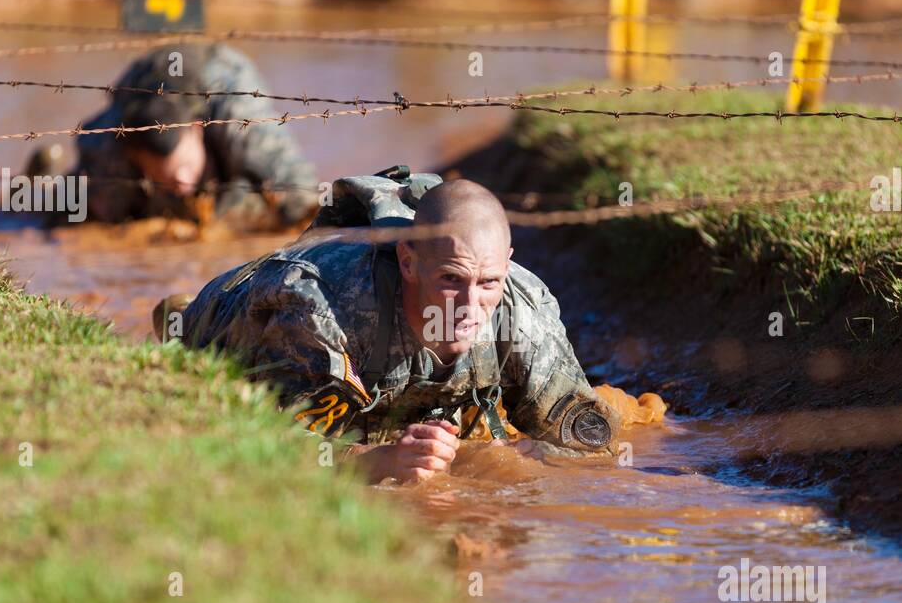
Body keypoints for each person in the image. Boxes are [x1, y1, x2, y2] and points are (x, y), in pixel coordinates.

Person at [165, 175, 620, 483]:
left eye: (488, 283)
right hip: (231, 321)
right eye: (450, 280)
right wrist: (378, 462)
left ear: (507, 264)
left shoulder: (522, 308)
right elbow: (269, 453)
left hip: (385, 385)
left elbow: (586, 439)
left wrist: (509, 462)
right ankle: (177, 316)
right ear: (408, 262)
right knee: (189, 365)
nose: (469, 305)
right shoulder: (320, 309)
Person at [39, 43, 318, 229]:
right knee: (76, 208)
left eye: (184, 168)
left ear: (196, 130)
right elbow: (65, 219)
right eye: (170, 177)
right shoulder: (112, 145)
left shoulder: (239, 120)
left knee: (274, 198)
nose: (182, 182)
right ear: (138, 159)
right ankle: (39, 177)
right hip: (136, 90)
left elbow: (305, 197)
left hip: (217, 78)